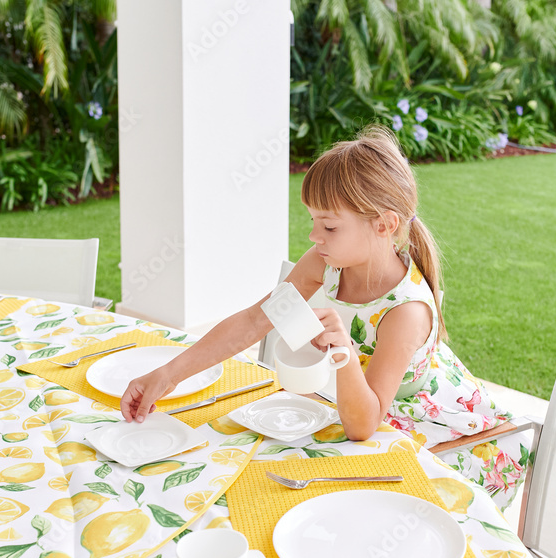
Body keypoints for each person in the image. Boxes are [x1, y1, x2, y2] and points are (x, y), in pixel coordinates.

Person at [121, 125, 527, 506]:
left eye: (329, 226)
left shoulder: (406, 312)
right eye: (313, 222)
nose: (314, 237)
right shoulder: (326, 262)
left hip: (434, 433)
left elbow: (364, 425)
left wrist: (344, 352)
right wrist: (167, 376)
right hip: (360, 404)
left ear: (385, 225)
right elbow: (253, 322)